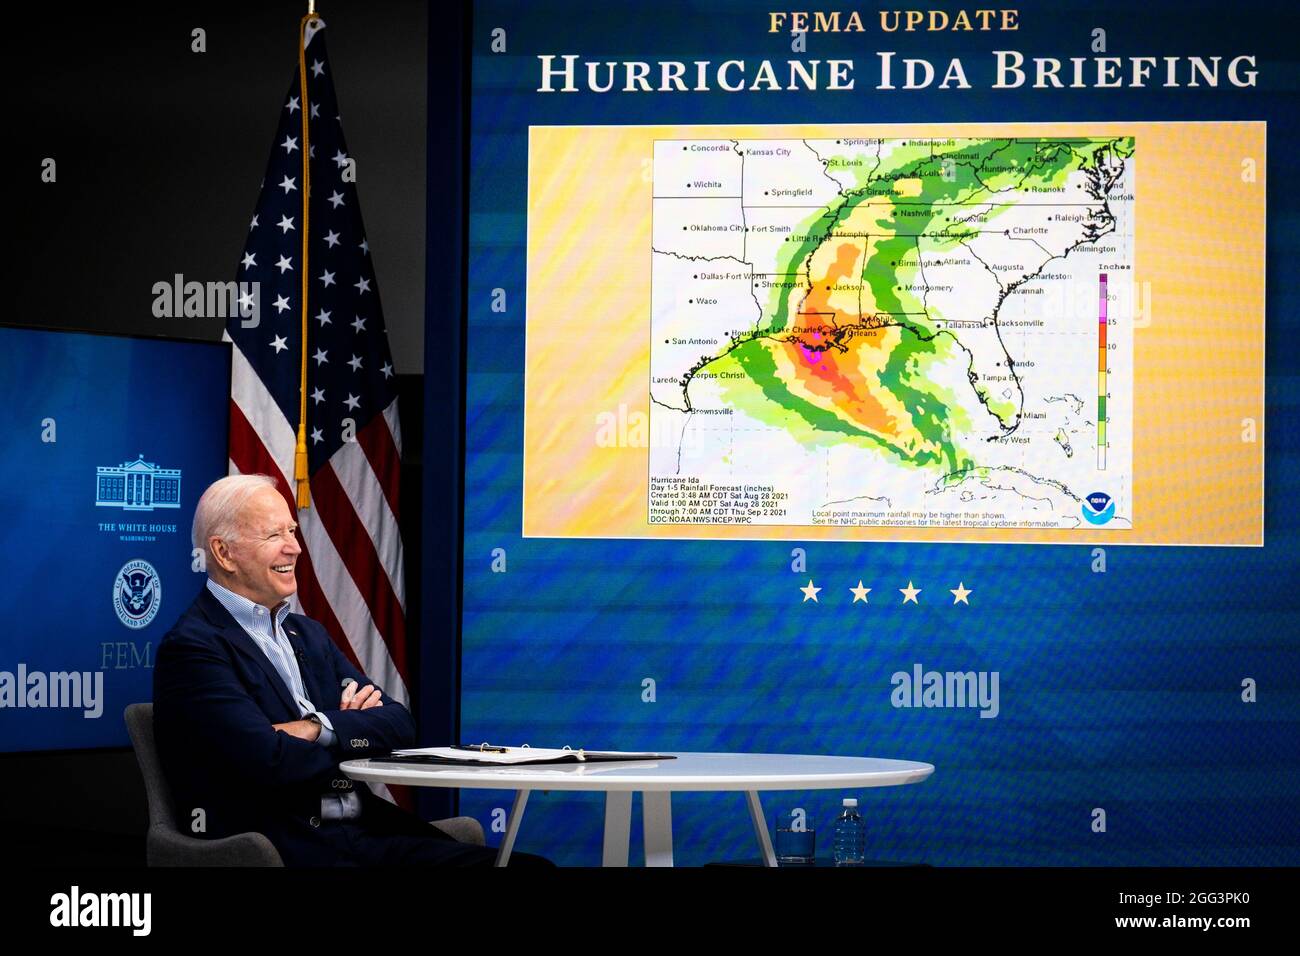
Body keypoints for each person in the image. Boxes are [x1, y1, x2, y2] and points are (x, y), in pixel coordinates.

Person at [153, 473, 552, 866]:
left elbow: (398, 724)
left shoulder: (307, 634)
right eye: (274, 536)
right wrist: (348, 729)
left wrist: (317, 728)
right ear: (224, 553)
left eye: (292, 531)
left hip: (358, 825)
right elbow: (266, 759)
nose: (294, 548)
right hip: (290, 843)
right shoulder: (193, 647)